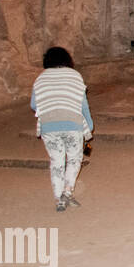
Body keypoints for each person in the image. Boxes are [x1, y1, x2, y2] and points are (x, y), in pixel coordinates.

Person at [30, 47, 93, 212]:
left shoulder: (40, 79)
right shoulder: (75, 76)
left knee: (56, 162)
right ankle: (67, 191)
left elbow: (34, 105)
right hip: (72, 124)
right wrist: (90, 126)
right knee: (73, 159)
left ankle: (59, 199)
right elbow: (83, 104)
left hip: (49, 126)